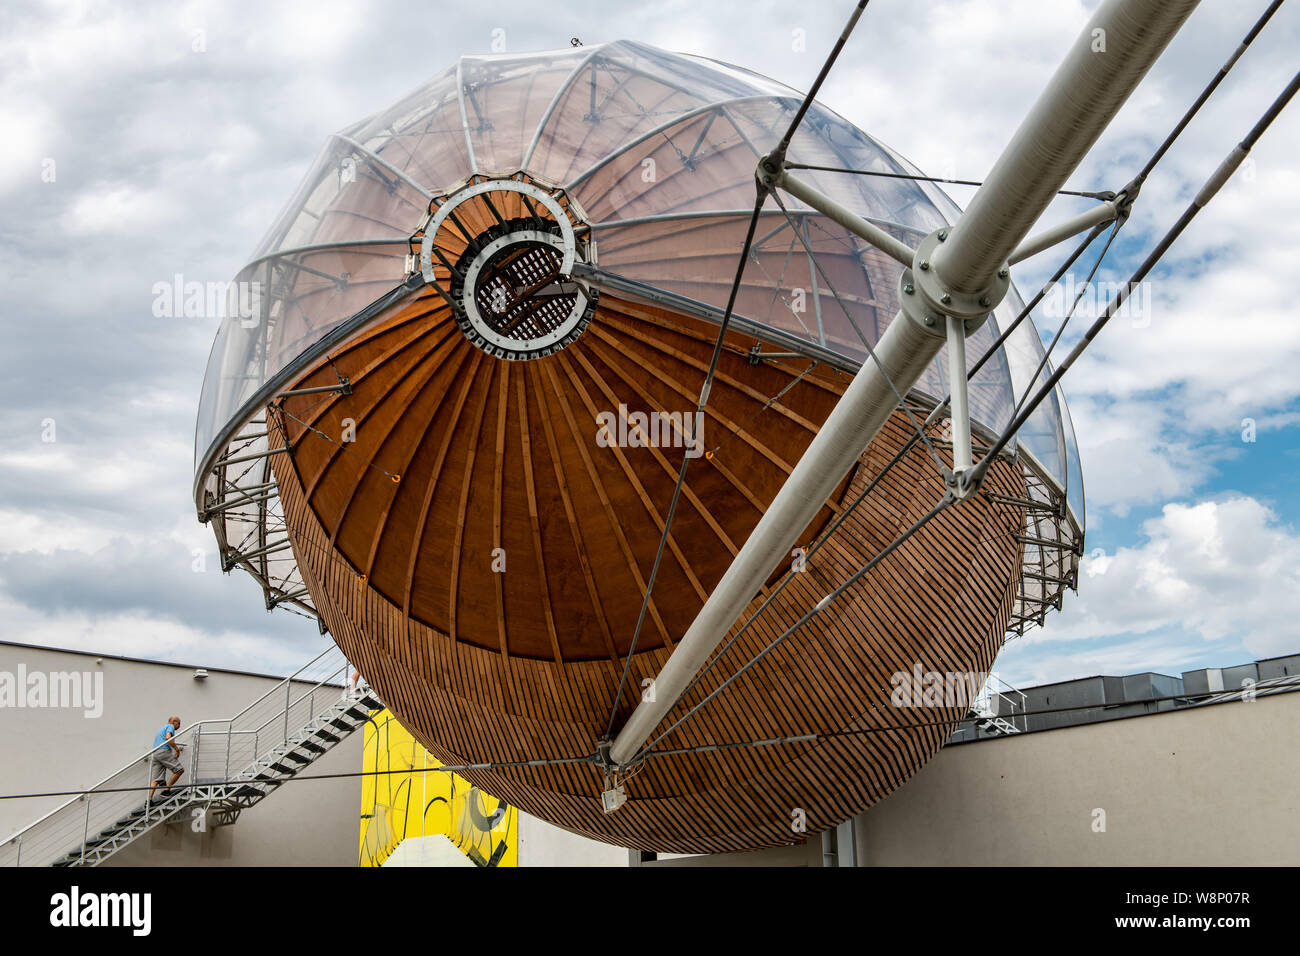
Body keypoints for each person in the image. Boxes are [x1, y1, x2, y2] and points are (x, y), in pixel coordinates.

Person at [147, 716, 184, 804]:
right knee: (179, 770)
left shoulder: (161, 729)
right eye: (179, 723)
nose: (179, 725)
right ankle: (166, 790)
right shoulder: (170, 726)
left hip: (155, 753)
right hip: (163, 751)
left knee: (156, 779)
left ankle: (149, 801)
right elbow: (168, 738)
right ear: (174, 722)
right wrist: (177, 749)